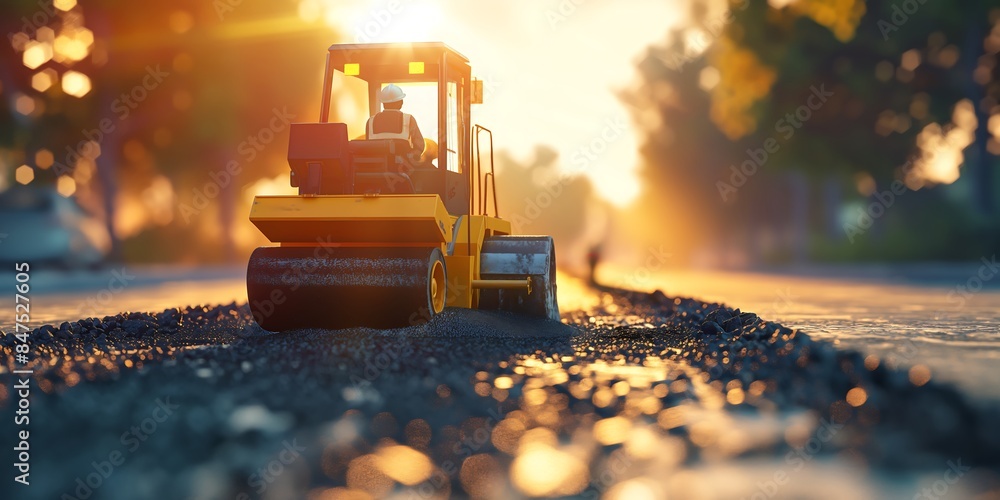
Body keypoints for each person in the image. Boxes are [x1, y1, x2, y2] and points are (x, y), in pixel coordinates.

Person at [366, 84, 425, 158]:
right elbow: (419, 146)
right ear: (401, 102)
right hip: (402, 166)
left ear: (383, 103)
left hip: (376, 166)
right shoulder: (408, 119)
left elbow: (367, 147)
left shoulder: (370, 121)